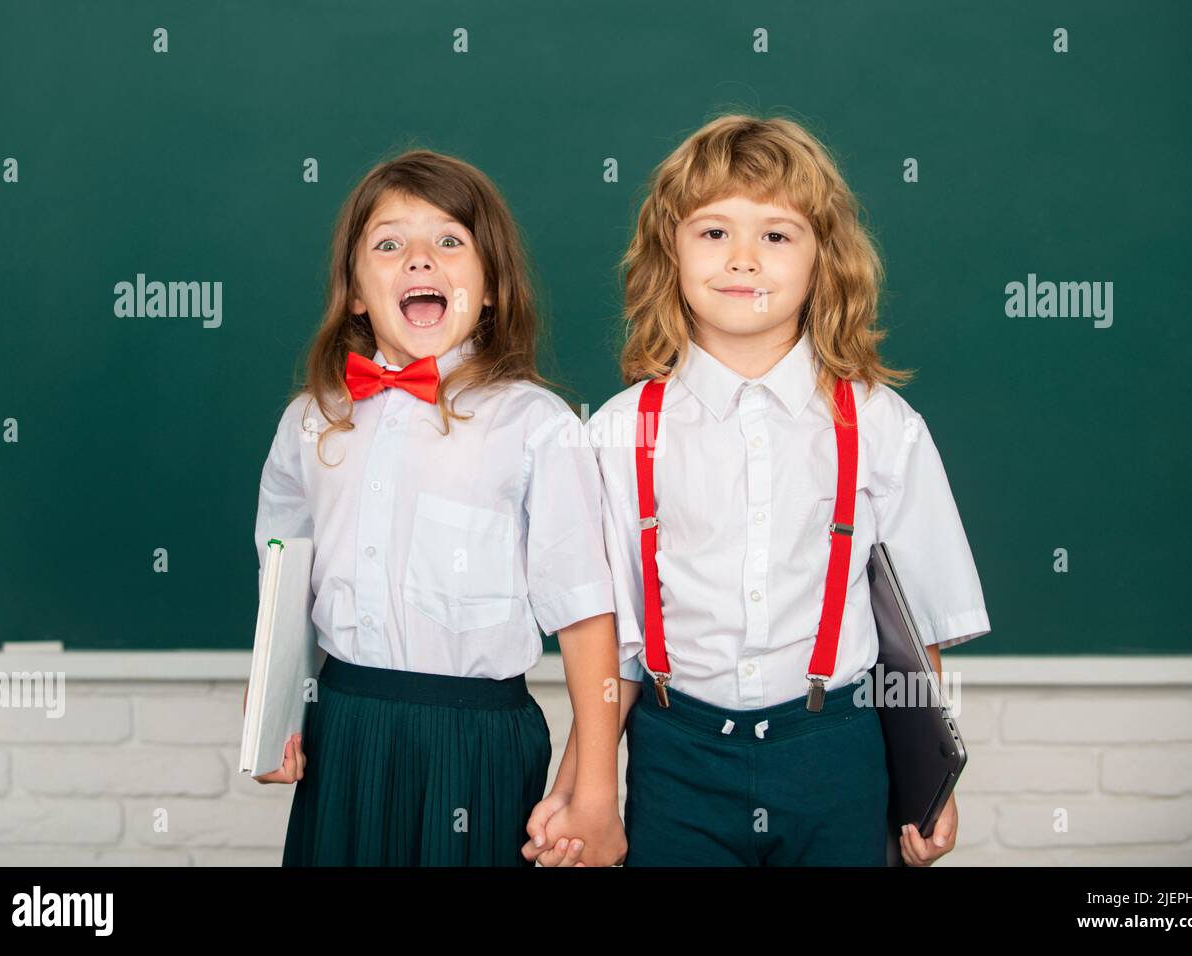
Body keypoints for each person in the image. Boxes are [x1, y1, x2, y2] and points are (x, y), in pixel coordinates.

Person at [525, 114, 989, 867]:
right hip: (678, 759)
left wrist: (931, 782)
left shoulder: (881, 423)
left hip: (837, 753)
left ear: (823, 260)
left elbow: (921, 627)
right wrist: (584, 789)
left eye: (776, 235)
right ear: (666, 254)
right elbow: (614, 646)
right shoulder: (617, 432)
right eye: (713, 233)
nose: (743, 259)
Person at [250, 149, 626, 866]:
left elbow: (585, 617)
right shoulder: (311, 420)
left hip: (476, 738)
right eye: (389, 244)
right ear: (356, 292)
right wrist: (268, 720)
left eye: (450, 241)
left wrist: (598, 797)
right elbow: (282, 576)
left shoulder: (537, 425)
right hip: (344, 725)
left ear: (489, 288)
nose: (420, 259)